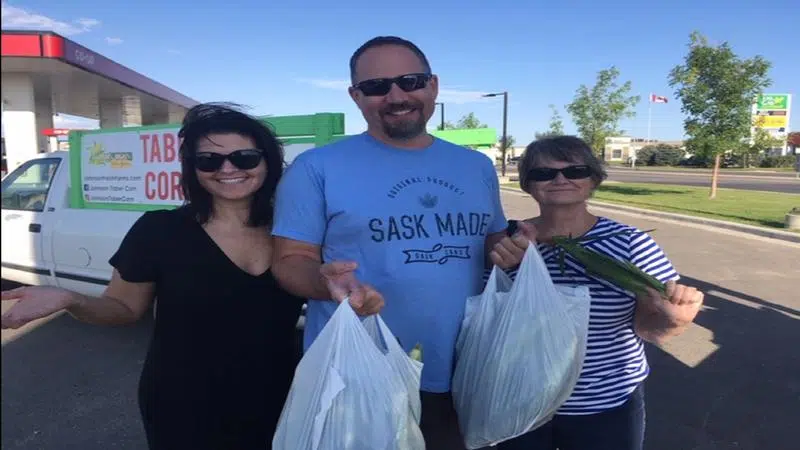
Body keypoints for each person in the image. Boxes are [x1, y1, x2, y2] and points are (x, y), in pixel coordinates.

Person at [270, 36, 532, 449]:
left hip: (465, 367)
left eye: (411, 81)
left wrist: (513, 251)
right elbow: (289, 260)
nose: (396, 96)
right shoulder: (316, 168)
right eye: (376, 86)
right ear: (356, 96)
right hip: (360, 371)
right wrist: (325, 283)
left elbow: (490, 245)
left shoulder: (476, 166)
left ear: (433, 85)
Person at [1, 103, 305, 450]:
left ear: (267, 162)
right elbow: (124, 308)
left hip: (284, 395)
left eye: (245, 157)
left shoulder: (295, 232)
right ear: (192, 168)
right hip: (185, 402)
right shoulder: (160, 230)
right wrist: (70, 298)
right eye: (209, 160)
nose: (228, 168)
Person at [490, 135, 704, 450]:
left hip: (603, 404)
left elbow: (648, 329)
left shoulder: (630, 244)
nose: (560, 179)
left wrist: (675, 320)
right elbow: (488, 318)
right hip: (521, 401)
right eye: (543, 173)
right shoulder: (507, 241)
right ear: (527, 184)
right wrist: (515, 267)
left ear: (593, 179)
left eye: (575, 171)